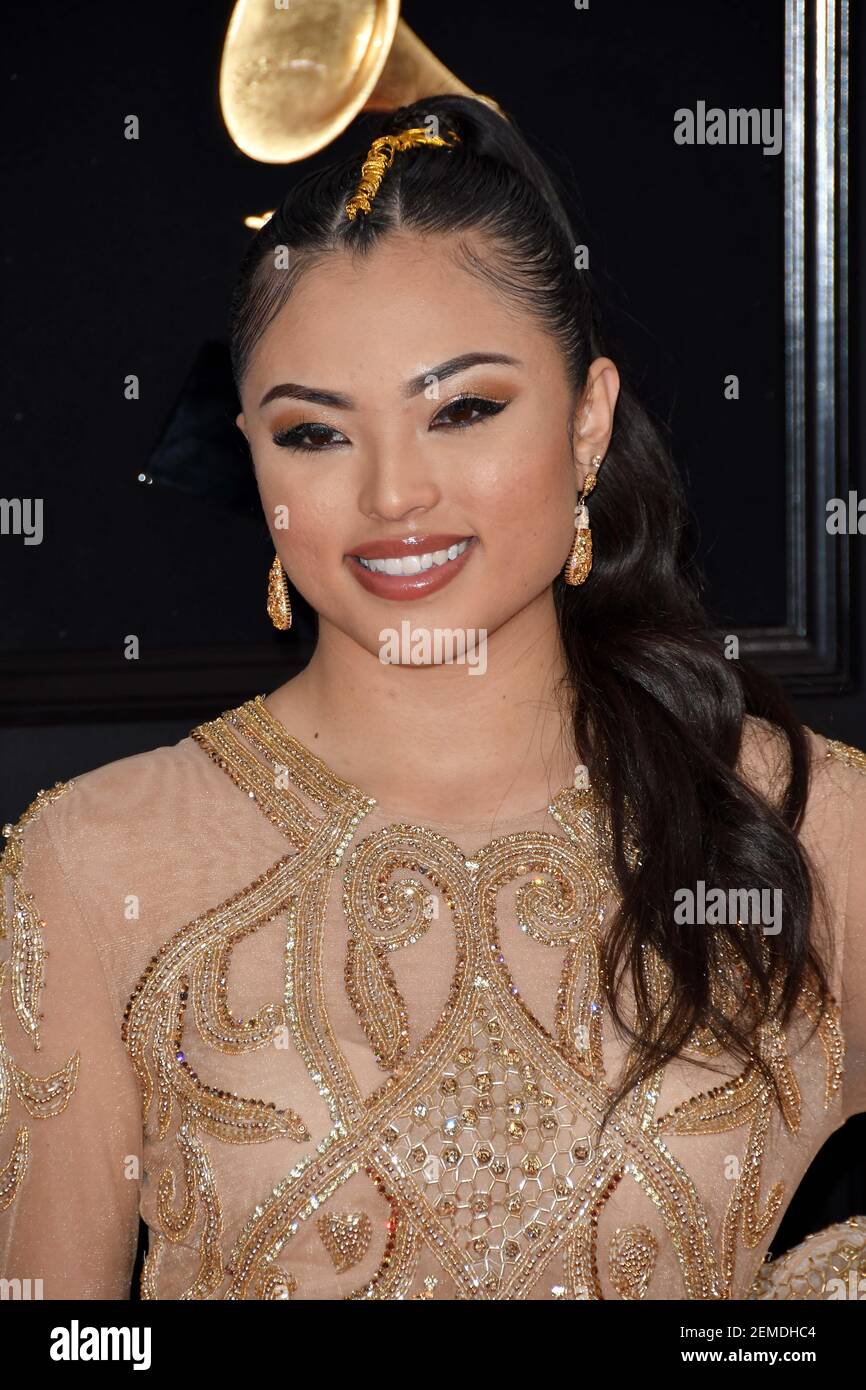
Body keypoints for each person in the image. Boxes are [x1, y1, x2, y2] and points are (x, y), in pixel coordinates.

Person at [1, 95, 864, 1301]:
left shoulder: (806, 823)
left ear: (587, 420)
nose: (394, 493)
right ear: (252, 454)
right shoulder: (93, 859)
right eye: (314, 433)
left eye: (462, 409)